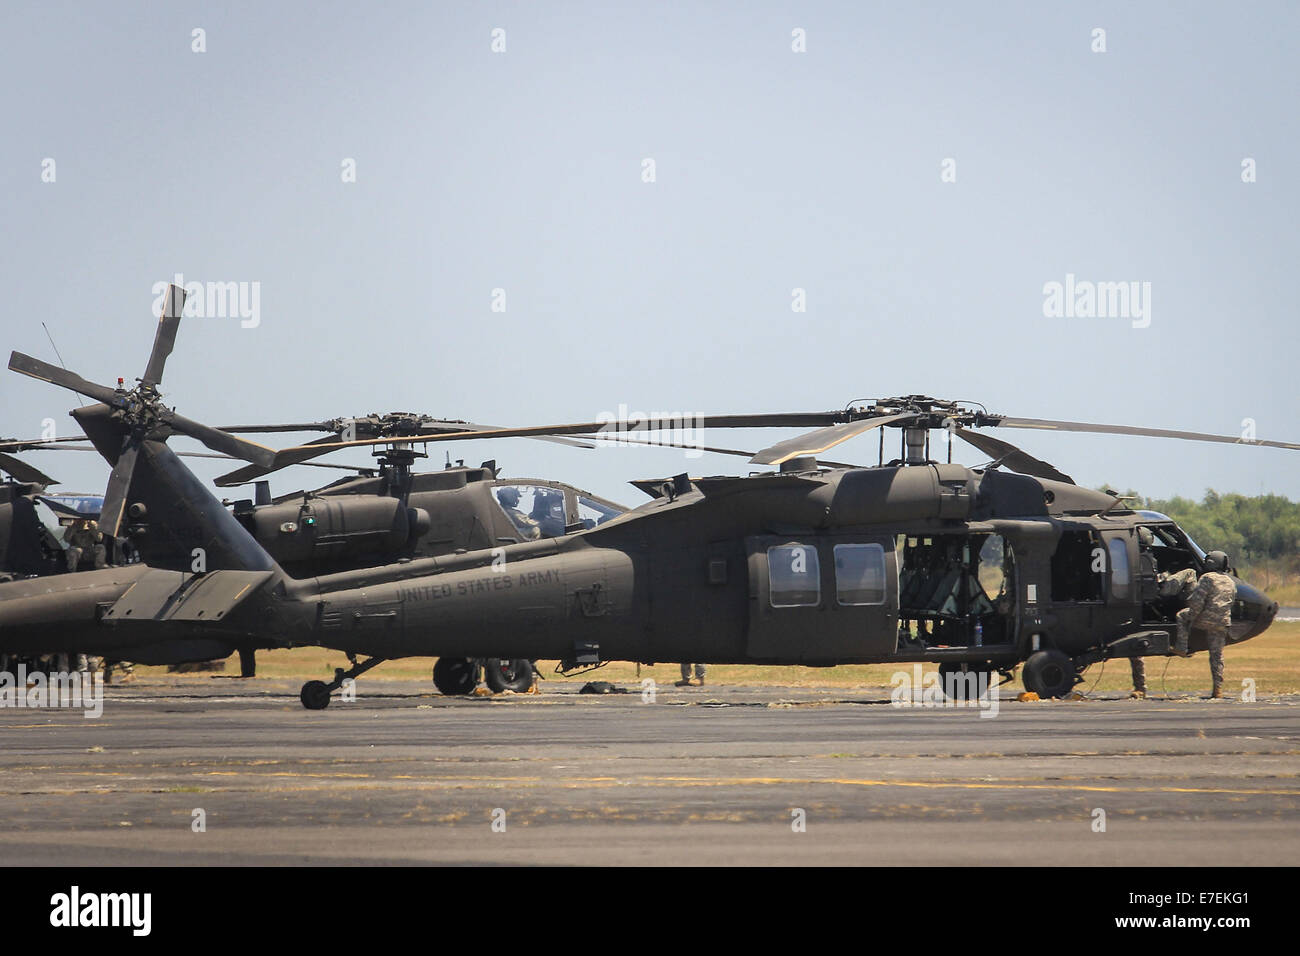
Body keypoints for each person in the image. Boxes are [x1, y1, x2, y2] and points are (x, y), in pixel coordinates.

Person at [1174, 551, 1236, 699]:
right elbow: (1231, 601)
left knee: (1181, 616)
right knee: (1217, 656)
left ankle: (1181, 648)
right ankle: (1217, 689)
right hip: (1222, 622)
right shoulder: (1230, 581)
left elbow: (1197, 601)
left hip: (1205, 618)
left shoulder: (1207, 578)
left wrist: (1192, 618)